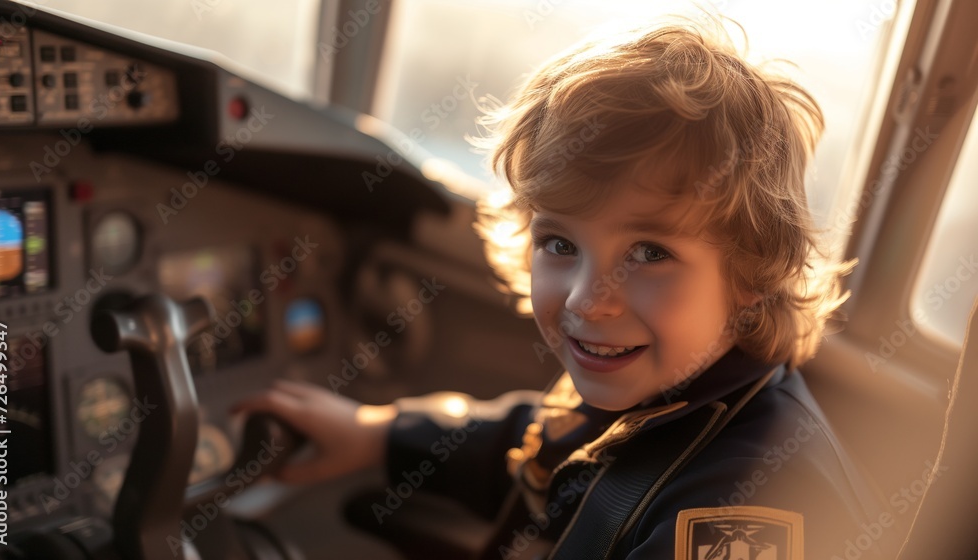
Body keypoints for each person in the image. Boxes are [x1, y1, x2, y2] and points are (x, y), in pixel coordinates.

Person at [235, 16, 896, 559]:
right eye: (559, 244)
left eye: (649, 253)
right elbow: (543, 448)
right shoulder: (664, 393)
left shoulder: (746, 509)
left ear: (752, 275)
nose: (586, 299)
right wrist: (379, 434)